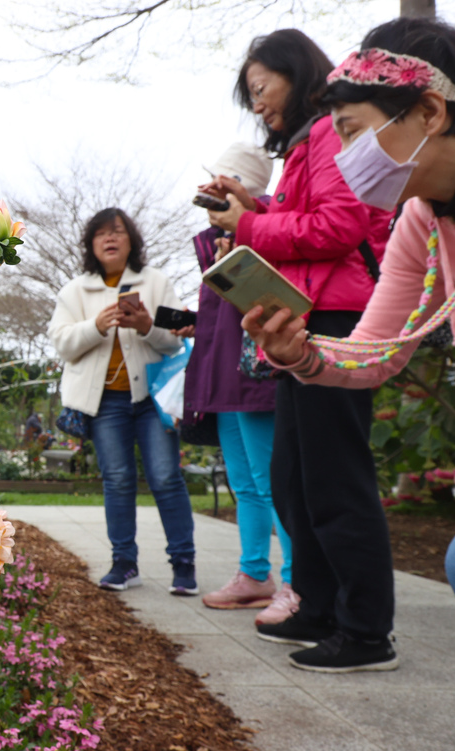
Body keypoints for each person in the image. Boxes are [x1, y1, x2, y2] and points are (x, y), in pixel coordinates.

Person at [245, 17, 455, 635]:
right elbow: (374, 354)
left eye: (351, 133)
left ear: (429, 110)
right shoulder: (424, 220)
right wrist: (300, 354)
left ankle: (362, 626)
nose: (345, 158)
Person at [198, 28, 396, 673]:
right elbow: (307, 222)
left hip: (337, 319)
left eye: (261, 88)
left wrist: (247, 223)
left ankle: (366, 629)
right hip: (303, 321)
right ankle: (315, 604)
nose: (257, 105)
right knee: (294, 477)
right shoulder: (305, 147)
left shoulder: (328, 135)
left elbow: (341, 226)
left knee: (335, 478)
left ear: (296, 73)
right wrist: (254, 208)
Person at [49, 208, 198, 595]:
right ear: (91, 244)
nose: (109, 238)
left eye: (117, 231)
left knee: (166, 478)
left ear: (131, 240)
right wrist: (95, 326)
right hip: (105, 405)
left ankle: (184, 565)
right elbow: (61, 344)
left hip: (153, 400)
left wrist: (148, 327)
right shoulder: (75, 290)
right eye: (100, 233)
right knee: (117, 481)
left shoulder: (155, 282)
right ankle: (124, 563)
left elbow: (177, 339)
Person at [184, 143, 299, 623]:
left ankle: (295, 580)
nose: (212, 189)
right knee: (246, 485)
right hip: (223, 377)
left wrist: (246, 220)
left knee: (275, 483)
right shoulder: (215, 239)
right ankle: (254, 574)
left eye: (224, 180)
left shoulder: (266, 225)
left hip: (256, 374)